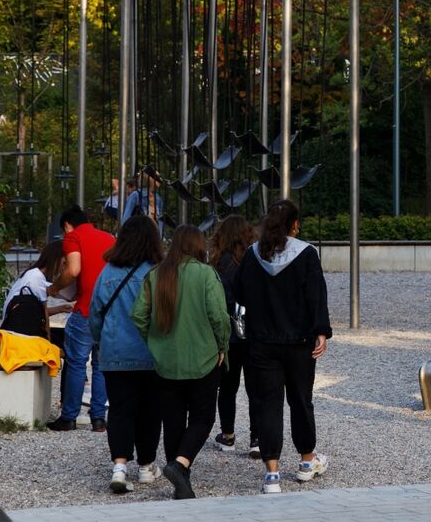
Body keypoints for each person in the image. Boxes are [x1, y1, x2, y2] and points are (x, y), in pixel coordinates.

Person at [234, 200, 331, 494]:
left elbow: (239, 295)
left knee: (268, 404)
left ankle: (272, 473)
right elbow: (316, 295)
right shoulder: (306, 254)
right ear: (295, 225)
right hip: (299, 343)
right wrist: (321, 332)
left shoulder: (253, 255)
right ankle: (305, 461)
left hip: (261, 343)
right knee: (301, 400)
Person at [132, 224, 230, 500]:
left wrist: (154, 342)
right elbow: (219, 317)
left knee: (173, 419)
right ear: (199, 245)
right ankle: (181, 464)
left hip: (166, 361)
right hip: (204, 357)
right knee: (203, 417)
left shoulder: (156, 275)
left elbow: (138, 315)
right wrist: (222, 344)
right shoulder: (206, 273)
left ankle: (181, 481)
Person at [90, 216, 165, 494]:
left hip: (115, 352)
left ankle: (119, 467)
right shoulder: (157, 272)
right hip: (151, 354)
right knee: (150, 411)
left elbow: (95, 313)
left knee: (120, 410)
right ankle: (146, 467)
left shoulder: (107, 272)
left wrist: (101, 342)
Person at [48, 205, 113, 432]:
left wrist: (55, 287)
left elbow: (74, 269)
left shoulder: (73, 237)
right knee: (101, 365)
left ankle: (69, 417)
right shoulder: (109, 238)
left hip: (86, 310)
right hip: (109, 313)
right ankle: (98, 418)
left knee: (76, 363)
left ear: (67, 225)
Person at [209, 214, 257, 457]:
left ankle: (228, 435)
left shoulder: (217, 264)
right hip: (253, 331)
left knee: (227, 387)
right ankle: (257, 438)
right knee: (255, 387)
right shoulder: (255, 260)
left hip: (227, 333)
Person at [0, 240, 67, 337]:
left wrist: (61, 308)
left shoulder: (34, 273)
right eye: (64, 263)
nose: (64, 267)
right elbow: (44, 317)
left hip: (16, 327)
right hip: (19, 332)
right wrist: (48, 344)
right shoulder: (37, 279)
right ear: (56, 259)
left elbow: (36, 311)